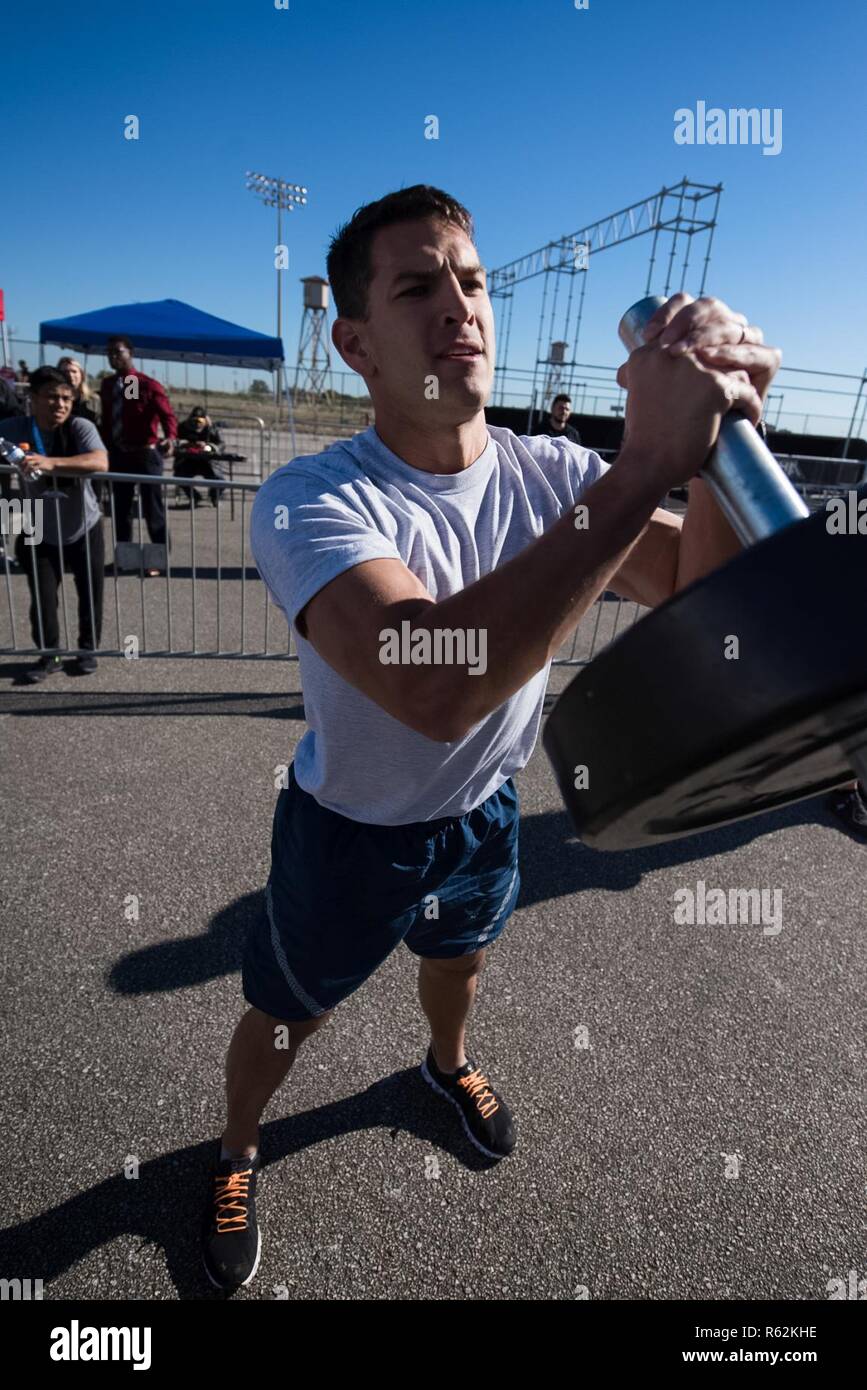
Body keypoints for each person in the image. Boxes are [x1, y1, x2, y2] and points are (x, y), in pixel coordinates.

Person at [199, 183, 780, 1291]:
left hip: (486, 812)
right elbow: (434, 683)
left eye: (471, 281)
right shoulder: (309, 498)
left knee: (460, 963)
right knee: (288, 1011)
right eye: (417, 286)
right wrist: (647, 464)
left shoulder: (553, 474)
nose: (458, 304)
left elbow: (699, 582)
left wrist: (713, 443)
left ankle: (443, 1065)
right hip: (350, 829)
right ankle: (234, 1150)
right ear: (357, 342)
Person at [2, 366, 108, 680]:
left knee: (90, 594)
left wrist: (49, 463)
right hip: (38, 527)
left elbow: (100, 461)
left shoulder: (80, 426)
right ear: (32, 399)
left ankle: (87, 651)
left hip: (83, 524)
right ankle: (51, 656)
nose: (59, 404)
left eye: (65, 398)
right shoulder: (14, 428)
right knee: (44, 599)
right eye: (50, 397)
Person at [98, 336, 176, 576]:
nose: (113, 357)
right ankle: (127, 560)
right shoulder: (109, 385)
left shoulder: (140, 384)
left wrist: (170, 438)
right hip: (119, 455)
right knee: (121, 510)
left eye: (118, 352)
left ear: (130, 353)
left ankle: (157, 561)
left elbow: (167, 416)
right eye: (110, 353)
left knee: (152, 510)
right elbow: (109, 418)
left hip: (144, 454)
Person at [174, 406, 225, 506]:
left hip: (208, 463)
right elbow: (176, 442)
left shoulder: (212, 429)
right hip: (188, 461)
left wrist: (208, 446)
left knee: (220, 481)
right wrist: (188, 444)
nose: (197, 424)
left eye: (200, 421)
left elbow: (221, 444)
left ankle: (214, 497)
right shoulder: (183, 427)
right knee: (179, 478)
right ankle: (195, 497)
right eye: (194, 421)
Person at [57, 356, 99, 426]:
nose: (70, 375)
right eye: (65, 372)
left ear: (81, 375)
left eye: (74, 371)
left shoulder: (94, 400)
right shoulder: (54, 400)